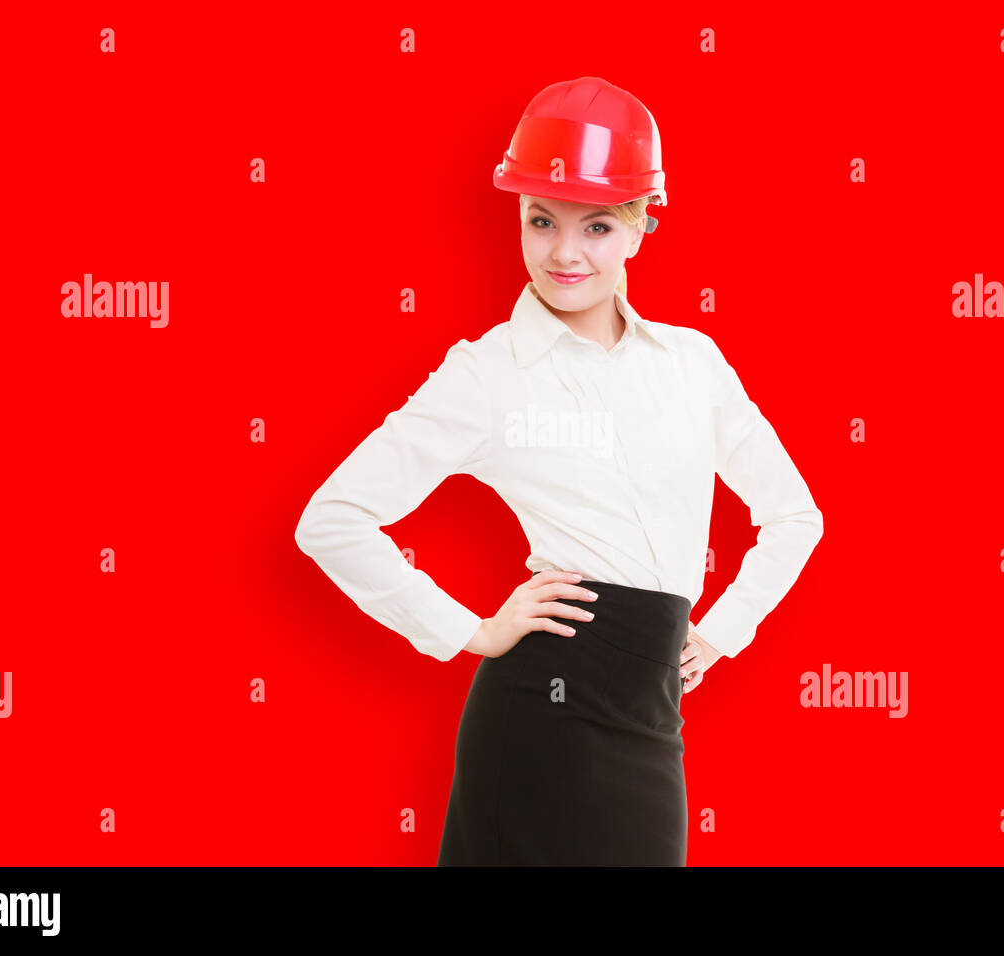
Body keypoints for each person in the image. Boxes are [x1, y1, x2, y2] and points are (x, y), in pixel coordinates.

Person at [293, 76, 824, 865]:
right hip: (538, 719)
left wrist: (718, 633)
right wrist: (469, 631)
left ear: (643, 227)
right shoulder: (487, 373)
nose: (564, 253)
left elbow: (795, 516)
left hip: (651, 715)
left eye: (598, 225)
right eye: (541, 220)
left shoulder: (693, 363)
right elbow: (330, 520)